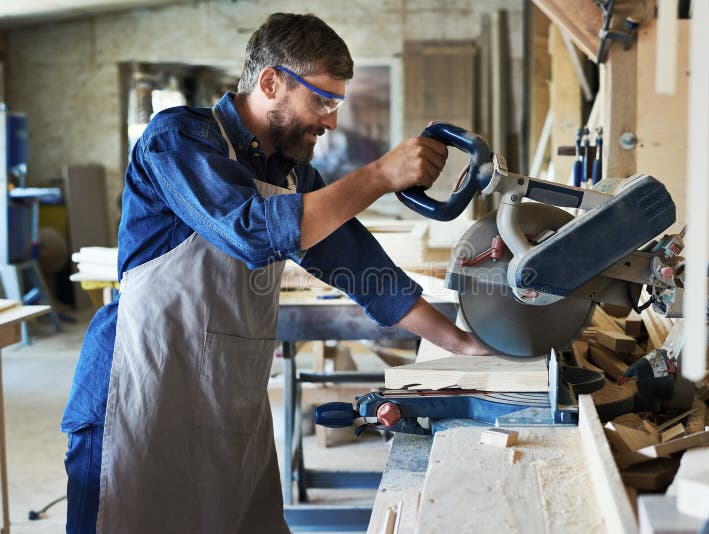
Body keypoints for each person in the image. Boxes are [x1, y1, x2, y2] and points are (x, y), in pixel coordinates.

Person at [61, 12, 487, 534]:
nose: (330, 120)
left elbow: (363, 270)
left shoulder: (290, 173)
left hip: (228, 404)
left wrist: (463, 345)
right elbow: (251, 232)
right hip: (139, 393)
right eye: (323, 100)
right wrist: (378, 176)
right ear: (271, 83)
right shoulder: (178, 140)